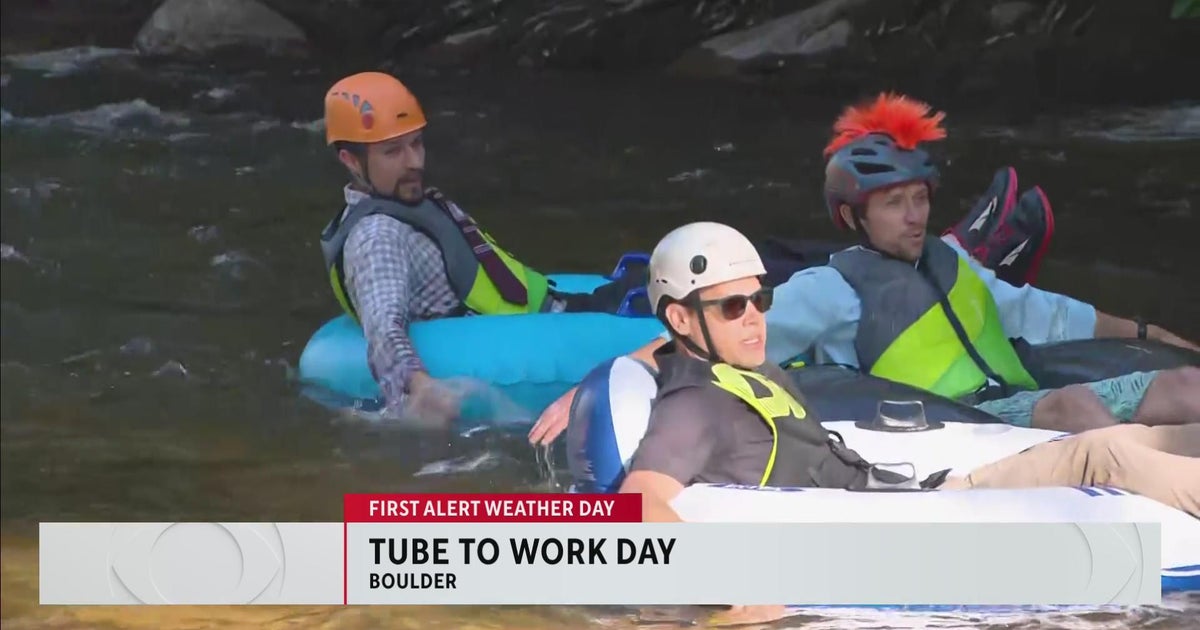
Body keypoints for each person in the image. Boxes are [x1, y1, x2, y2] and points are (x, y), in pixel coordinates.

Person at [616, 221, 1200, 625]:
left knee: (1118, 439)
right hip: (924, 513)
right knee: (1108, 456)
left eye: (760, 301)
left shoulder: (740, 369)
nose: (755, 320)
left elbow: (666, 357)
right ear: (680, 318)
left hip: (908, 489)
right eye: (731, 306)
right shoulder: (695, 405)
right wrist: (729, 581)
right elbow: (640, 499)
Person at [530, 93, 1199, 443]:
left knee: (1183, 388)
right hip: (963, 425)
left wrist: (1149, 333)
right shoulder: (832, 289)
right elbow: (711, 340)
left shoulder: (954, 264)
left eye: (919, 200)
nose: (914, 216)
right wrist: (597, 387)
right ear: (853, 217)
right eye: (894, 205)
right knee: (1075, 402)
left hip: (1020, 394)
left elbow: (1056, 315)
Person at [317, 71, 648, 422]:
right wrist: (419, 386)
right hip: (526, 331)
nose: (414, 161)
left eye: (416, 143)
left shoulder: (398, 201)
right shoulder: (376, 239)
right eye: (393, 151)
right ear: (351, 160)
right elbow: (384, 326)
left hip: (540, 313)